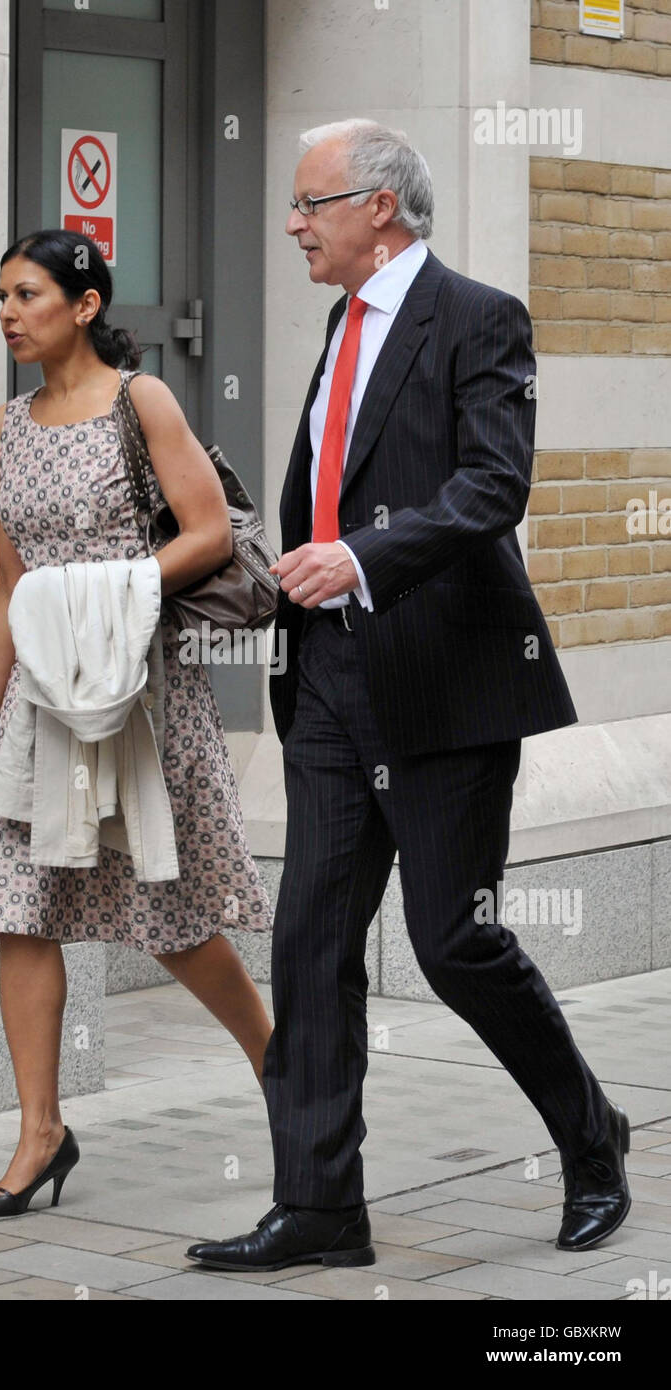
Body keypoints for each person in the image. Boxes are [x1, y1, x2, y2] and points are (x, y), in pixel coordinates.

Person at [186, 119, 630, 1273]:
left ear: (379, 205)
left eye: (309, 204)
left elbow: (494, 484)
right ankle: (322, 1203)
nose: (293, 224)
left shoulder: (481, 318)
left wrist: (367, 558)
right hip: (330, 681)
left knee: (455, 943)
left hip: (443, 683)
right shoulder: (342, 321)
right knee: (310, 944)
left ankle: (593, 1136)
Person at [0, 229, 273, 1216]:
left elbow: (212, 529)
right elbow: (12, 587)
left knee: (167, 918)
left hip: (138, 694)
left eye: (29, 293)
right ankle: (40, 1132)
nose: (8, 312)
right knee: (17, 906)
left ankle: (284, 1067)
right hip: (39, 704)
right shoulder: (5, 427)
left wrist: (105, 584)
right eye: (1, 294)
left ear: (85, 307)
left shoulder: (143, 401)